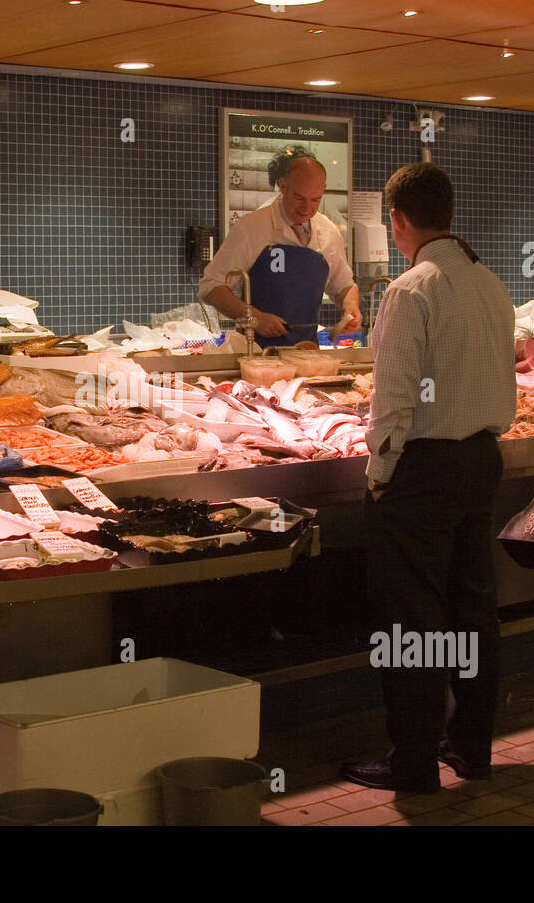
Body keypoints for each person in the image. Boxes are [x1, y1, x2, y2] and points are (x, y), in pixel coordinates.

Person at [339, 163, 517, 793]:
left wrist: (381, 472)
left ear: (398, 220)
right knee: (473, 609)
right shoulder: (491, 284)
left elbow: (394, 398)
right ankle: (471, 747)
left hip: (423, 471)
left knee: (411, 619)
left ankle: (413, 763)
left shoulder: (410, 290)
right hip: (481, 462)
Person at [200, 155, 361, 347]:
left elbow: (344, 285)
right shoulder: (251, 227)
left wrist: (351, 306)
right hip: (257, 354)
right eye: (299, 198)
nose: (307, 208)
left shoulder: (328, 231)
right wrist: (254, 317)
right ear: (282, 186)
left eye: (315, 200)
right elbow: (210, 287)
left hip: (307, 352)